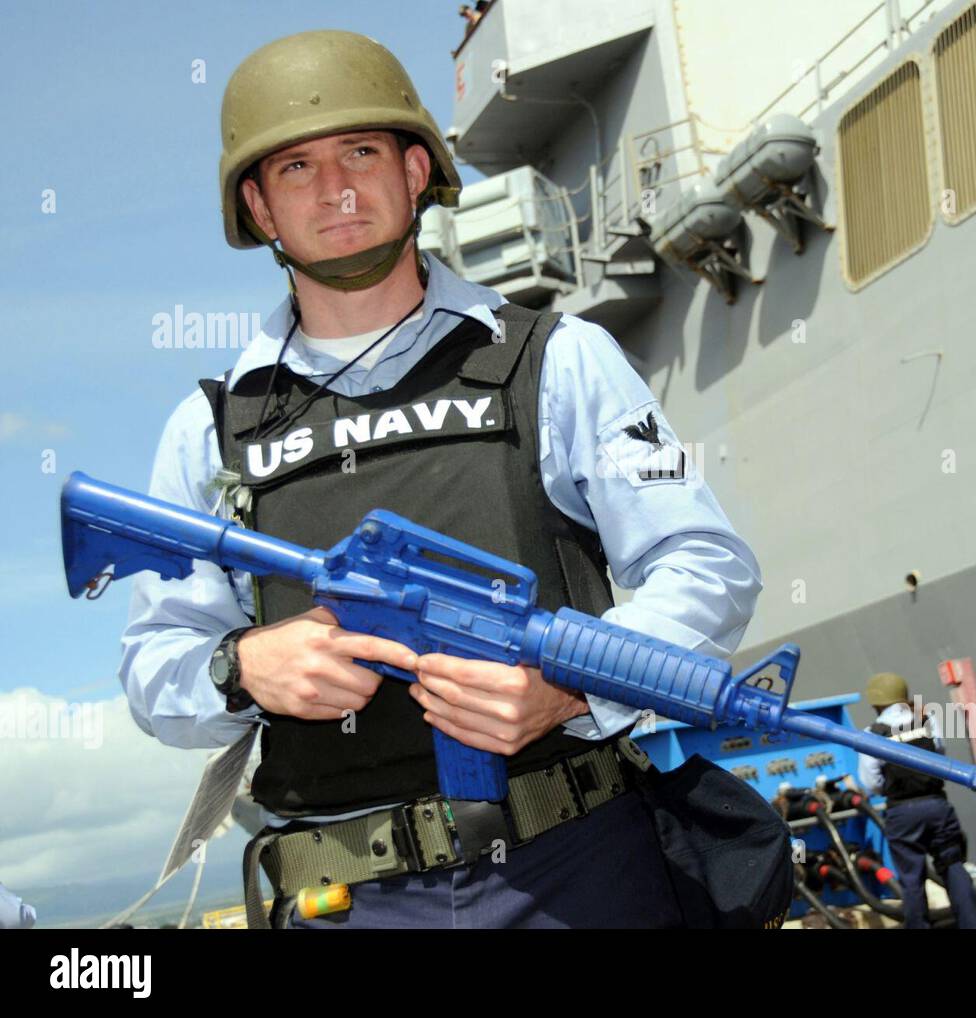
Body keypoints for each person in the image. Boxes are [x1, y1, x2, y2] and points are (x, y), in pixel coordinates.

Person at [118, 30, 763, 929]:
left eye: (362, 153)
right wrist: (242, 669)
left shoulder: (559, 359)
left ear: (417, 172)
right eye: (295, 167)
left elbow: (706, 565)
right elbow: (154, 665)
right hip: (343, 894)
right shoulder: (210, 430)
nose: (336, 188)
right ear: (259, 209)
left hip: (573, 865)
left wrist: (574, 684)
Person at [857, 672, 976, 929]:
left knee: (911, 879)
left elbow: (871, 783)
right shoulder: (927, 720)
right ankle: (972, 924)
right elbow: (939, 754)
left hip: (902, 812)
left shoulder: (872, 733)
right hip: (937, 805)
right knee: (952, 865)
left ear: (875, 703)